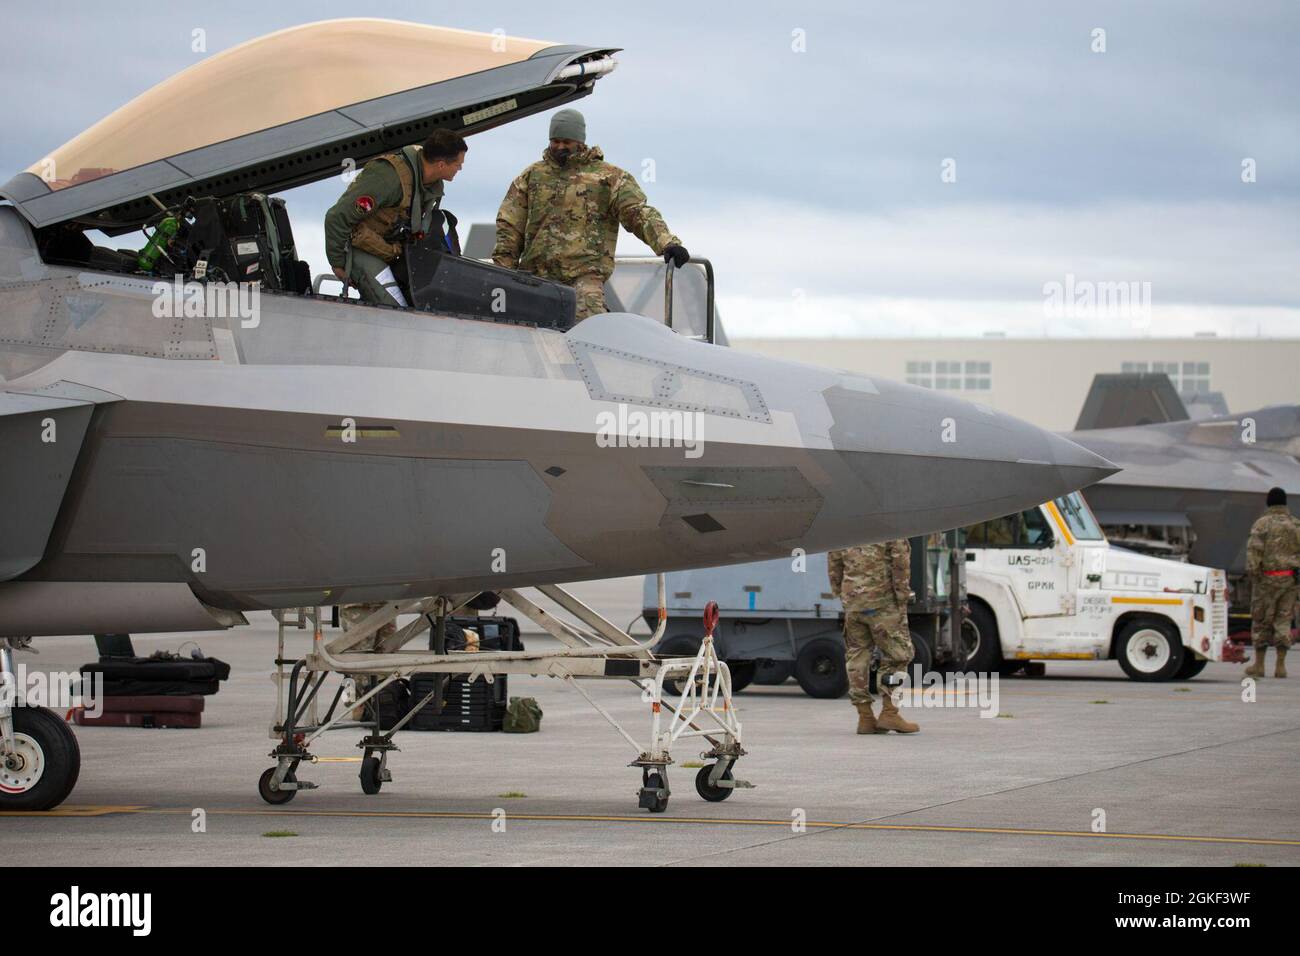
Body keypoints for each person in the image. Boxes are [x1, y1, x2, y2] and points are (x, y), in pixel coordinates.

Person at [491, 108, 689, 322]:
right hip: (536, 278)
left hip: (584, 278)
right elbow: (510, 224)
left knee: (591, 334)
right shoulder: (532, 176)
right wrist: (504, 273)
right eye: (555, 141)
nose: (560, 147)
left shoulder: (609, 178)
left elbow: (638, 213)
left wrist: (667, 243)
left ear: (580, 141)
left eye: (566, 141)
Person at [325, 129, 467, 306]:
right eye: (458, 164)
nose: (460, 168)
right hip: (358, 247)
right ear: (441, 165)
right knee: (396, 309)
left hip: (391, 248)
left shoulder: (429, 183)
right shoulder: (387, 178)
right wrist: (338, 264)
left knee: (441, 221)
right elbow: (336, 217)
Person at [828, 539, 919, 734]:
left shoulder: (844, 527)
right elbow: (900, 561)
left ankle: (865, 718)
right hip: (883, 603)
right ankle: (889, 713)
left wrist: (841, 593)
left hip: (853, 603)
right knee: (897, 656)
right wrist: (902, 596)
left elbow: (833, 561)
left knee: (856, 657)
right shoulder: (886, 525)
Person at [1244, 487, 1300, 679]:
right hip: (1290, 579)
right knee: (1284, 619)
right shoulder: (1295, 524)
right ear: (1284, 503)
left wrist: (1254, 576)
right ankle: (1281, 666)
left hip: (1266, 579)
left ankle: (1259, 665)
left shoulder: (1262, 524)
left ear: (1268, 502)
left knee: (1261, 620)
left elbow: (1253, 553)